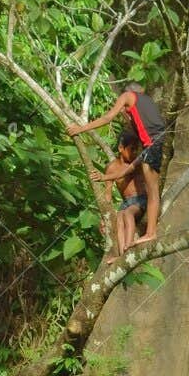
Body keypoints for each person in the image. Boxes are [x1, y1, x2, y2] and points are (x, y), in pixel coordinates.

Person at [69, 82, 166, 243]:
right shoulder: (146, 102)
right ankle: (146, 235)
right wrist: (126, 115)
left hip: (151, 145)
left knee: (152, 192)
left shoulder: (127, 96)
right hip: (159, 142)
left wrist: (80, 129)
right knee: (153, 192)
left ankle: (150, 233)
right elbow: (138, 128)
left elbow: (108, 118)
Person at [91, 131, 148, 259]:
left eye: (136, 149)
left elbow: (123, 173)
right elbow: (108, 195)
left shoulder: (137, 163)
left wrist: (103, 177)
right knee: (120, 217)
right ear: (120, 148)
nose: (134, 153)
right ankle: (122, 255)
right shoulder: (111, 167)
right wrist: (104, 217)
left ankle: (129, 248)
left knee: (127, 214)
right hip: (126, 203)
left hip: (140, 199)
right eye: (131, 149)